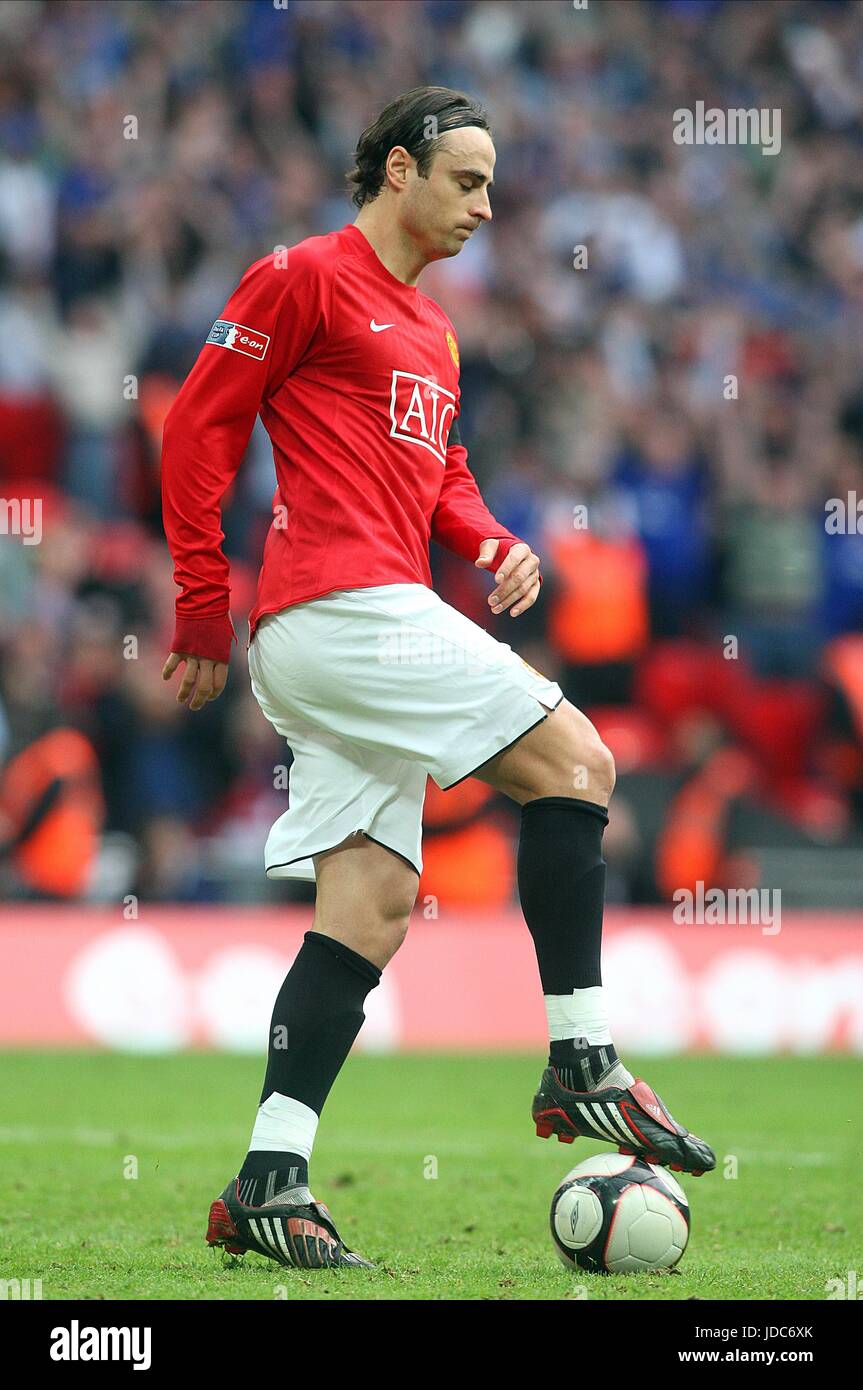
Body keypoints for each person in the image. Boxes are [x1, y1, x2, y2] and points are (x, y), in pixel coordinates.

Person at [161, 86, 715, 1272]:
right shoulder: (298, 276)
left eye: (491, 185)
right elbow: (197, 430)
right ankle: (581, 1059)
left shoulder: (433, 333)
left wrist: (490, 541)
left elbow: (441, 470)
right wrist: (201, 603)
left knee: (367, 905)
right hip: (335, 607)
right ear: (399, 171)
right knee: (578, 759)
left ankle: (269, 1175)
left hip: (364, 619)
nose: (486, 203)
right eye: (466, 180)